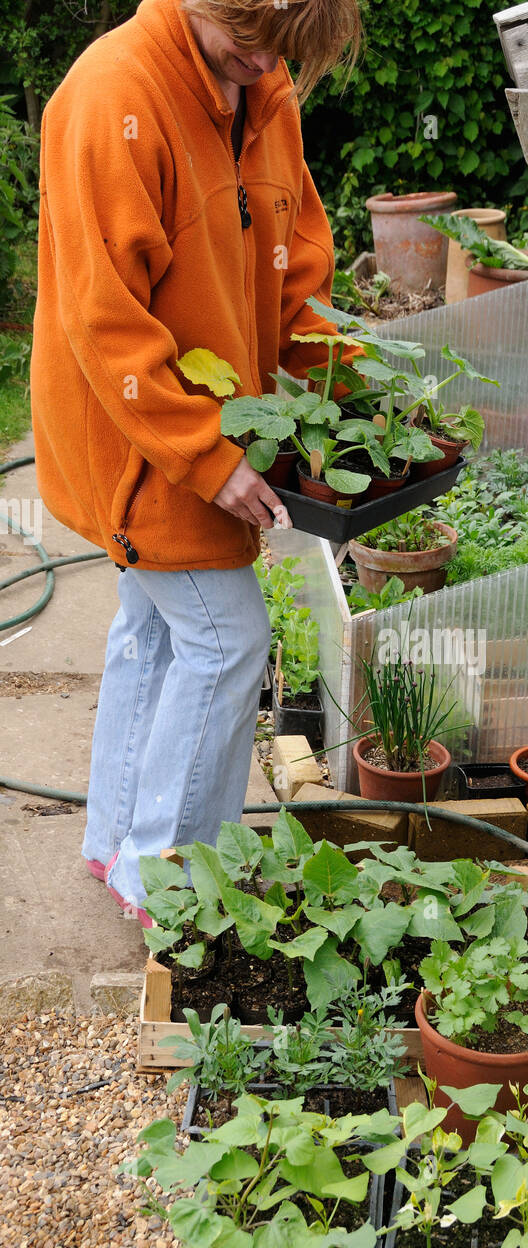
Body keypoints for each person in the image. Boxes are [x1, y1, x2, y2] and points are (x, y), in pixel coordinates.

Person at [30, 0, 362, 914]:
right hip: (137, 436)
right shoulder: (111, 94)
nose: (263, 67)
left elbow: (298, 262)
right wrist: (206, 457)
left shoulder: (265, 81)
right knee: (225, 640)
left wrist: (340, 391)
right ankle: (177, 885)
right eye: (248, 43)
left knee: (153, 631)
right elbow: (107, 320)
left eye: (281, 51)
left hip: (221, 421)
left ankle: (120, 851)